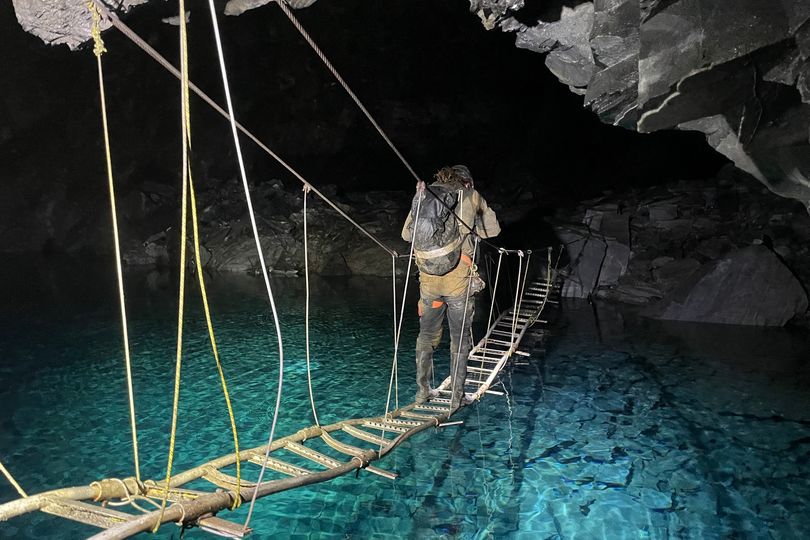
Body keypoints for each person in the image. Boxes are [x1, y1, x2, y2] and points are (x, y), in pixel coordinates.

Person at [401, 165, 501, 410]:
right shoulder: (470, 195)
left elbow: (407, 235)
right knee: (459, 338)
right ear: (467, 181)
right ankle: (457, 398)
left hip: (429, 281)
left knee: (426, 335)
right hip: (458, 281)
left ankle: (423, 392)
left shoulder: (428, 194)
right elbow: (493, 230)